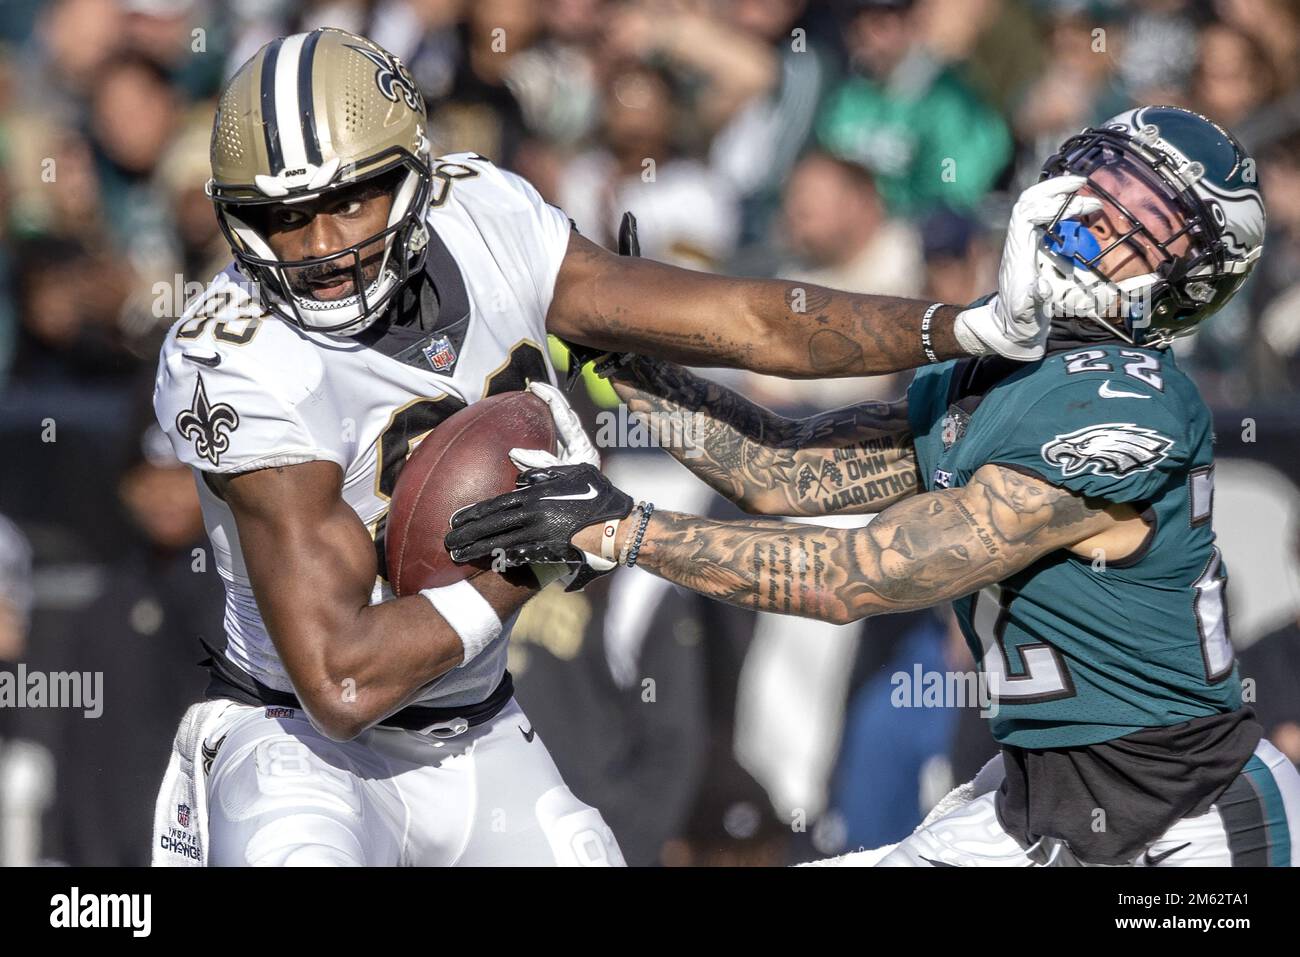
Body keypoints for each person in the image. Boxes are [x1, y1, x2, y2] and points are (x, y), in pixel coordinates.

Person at [150, 27, 1050, 867]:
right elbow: (340, 682)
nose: (321, 247)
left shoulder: (487, 217)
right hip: (296, 742)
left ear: (415, 177)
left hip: (475, 727)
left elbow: (747, 321)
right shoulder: (238, 361)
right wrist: (531, 560)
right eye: (286, 217)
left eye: (349, 200)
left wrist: (965, 327)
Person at [448, 106, 1300, 866]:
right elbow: (779, 469)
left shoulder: (1128, 407)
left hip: (1186, 827)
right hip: (1039, 808)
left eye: (1135, 218)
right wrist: (631, 367)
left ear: (1186, 282)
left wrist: (621, 531)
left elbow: (854, 575)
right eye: (1095, 181)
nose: (1086, 216)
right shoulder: (1001, 371)